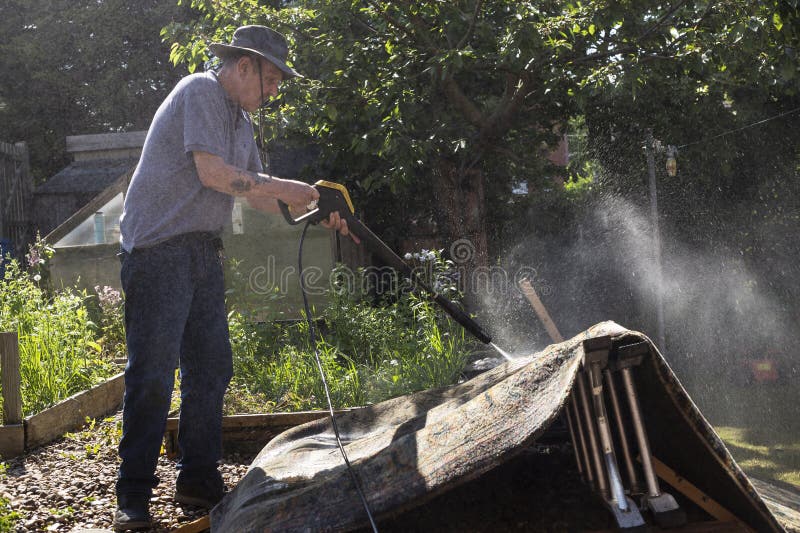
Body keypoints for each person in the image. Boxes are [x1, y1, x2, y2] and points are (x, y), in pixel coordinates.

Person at [113, 25, 356, 531]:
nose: (273, 91)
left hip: (201, 250)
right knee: (153, 374)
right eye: (270, 79)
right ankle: (132, 495)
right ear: (243, 65)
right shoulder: (199, 91)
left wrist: (313, 202)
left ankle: (197, 478)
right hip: (156, 251)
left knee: (211, 367)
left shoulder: (241, 122)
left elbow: (260, 195)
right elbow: (215, 175)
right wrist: (291, 187)